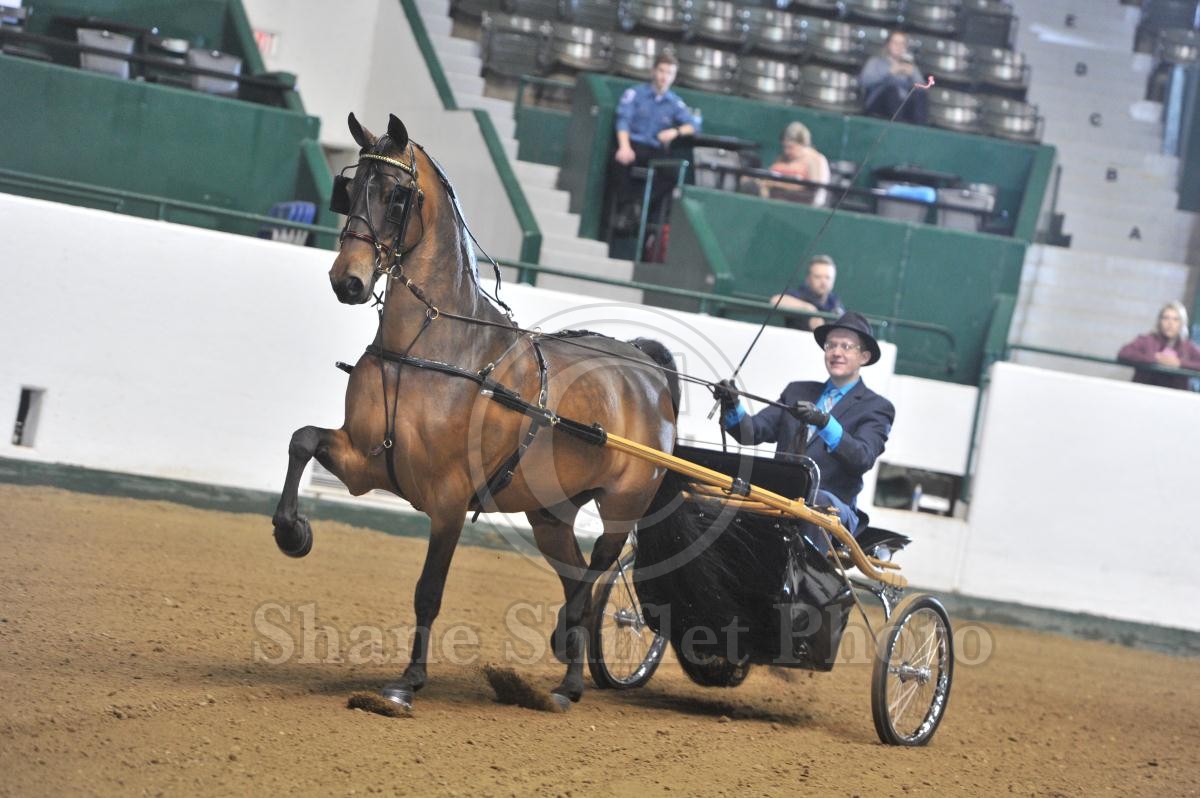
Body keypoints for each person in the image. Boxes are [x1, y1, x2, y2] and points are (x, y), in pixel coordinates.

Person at [712, 311, 894, 545]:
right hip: (780, 495)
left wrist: (825, 423)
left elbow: (862, 458)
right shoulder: (797, 391)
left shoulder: (876, 407)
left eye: (847, 346)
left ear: (864, 357)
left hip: (832, 507)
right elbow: (752, 432)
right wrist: (732, 404)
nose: (836, 353)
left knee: (815, 501)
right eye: (831, 345)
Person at [610, 53, 701, 234]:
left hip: (655, 148)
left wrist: (675, 131)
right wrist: (624, 146)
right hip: (633, 144)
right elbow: (623, 120)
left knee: (674, 173)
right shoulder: (635, 94)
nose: (664, 76)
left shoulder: (674, 102)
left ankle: (639, 204)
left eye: (669, 73)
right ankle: (626, 206)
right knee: (620, 162)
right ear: (654, 71)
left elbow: (695, 124)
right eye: (661, 71)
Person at [1117, 301, 1200, 391]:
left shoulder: (1187, 347)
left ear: (1182, 323)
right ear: (1159, 321)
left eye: (1175, 319)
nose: (1170, 323)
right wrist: (1155, 359)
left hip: (1175, 397)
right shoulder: (1146, 340)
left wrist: (1179, 363)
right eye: (1166, 318)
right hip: (1144, 392)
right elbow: (1124, 353)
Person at [859, 31, 929, 125]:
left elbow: (923, 90)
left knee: (919, 95)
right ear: (888, 45)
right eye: (895, 43)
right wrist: (889, 72)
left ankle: (920, 131)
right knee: (892, 90)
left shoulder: (910, 66)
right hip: (879, 104)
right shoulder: (876, 62)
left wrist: (912, 75)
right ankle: (897, 127)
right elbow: (864, 81)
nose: (898, 46)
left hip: (903, 105)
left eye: (902, 44)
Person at [757, 121, 831, 207]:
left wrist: (776, 184)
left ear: (803, 144)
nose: (786, 151)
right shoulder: (783, 158)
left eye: (791, 147)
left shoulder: (815, 159)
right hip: (774, 203)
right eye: (784, 147)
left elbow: (812, 190)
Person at [769, 255, 846, 332]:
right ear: (808, 278)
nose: (823, 282)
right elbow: (775, 300)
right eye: (818, 277)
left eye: (828, 277)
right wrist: (809, 309)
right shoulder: (800, 294)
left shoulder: (834, 302)